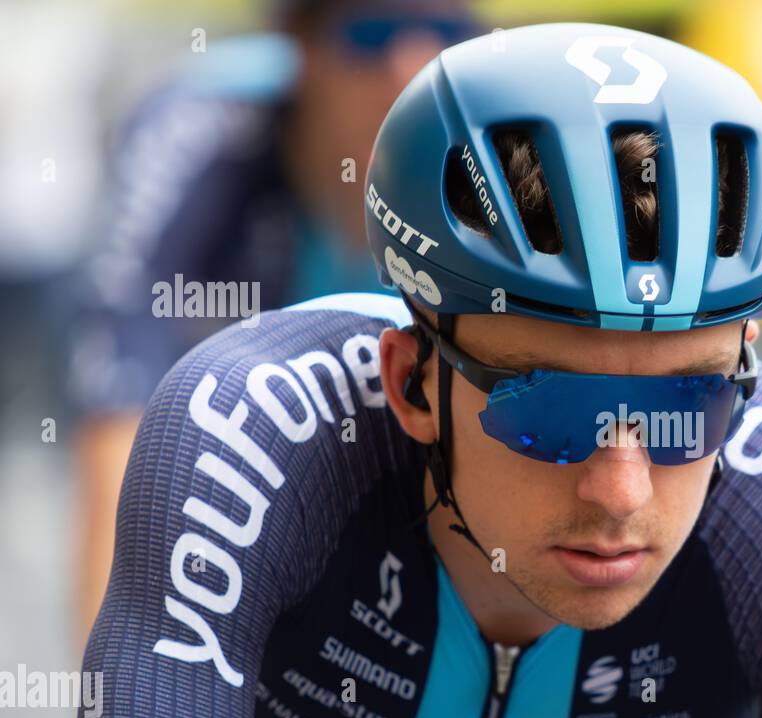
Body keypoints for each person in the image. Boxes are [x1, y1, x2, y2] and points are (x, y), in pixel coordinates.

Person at [68, 23, 762, 718]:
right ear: (411, 382)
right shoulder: (251, 437)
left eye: (687, 406)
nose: (621, 491)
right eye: (550, 412)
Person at [70, 0, 472, 645]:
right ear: (303, 53)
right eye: (371, 35)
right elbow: (117, 404)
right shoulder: (201, 129)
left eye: (446, 36)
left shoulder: (485, 140)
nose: (408, 70)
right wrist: (109, 691)